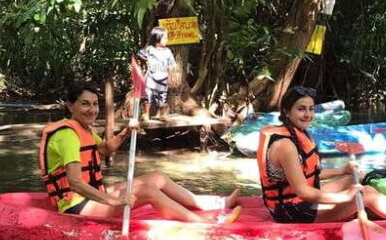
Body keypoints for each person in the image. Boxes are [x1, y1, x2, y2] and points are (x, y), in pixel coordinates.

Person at [257, 86, 386, 224]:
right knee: (366, 194)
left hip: (300, 201)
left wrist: (342, 171)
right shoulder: (285, 145)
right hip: (291, 211)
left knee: (361, 178)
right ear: (287, 112)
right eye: (301, 109)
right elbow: (304, 192)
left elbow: (306, 174)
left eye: (311, 109)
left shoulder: (297, 132)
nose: (308, 114)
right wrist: (345, 197)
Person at [39, 83, 241, 222]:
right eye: (85, 104)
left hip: (93, 195)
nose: (92, 110)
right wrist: (113, 200)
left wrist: (125, 132)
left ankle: (218, 203)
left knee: (157, 178)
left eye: (94, 104)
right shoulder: (67, 136)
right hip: (76, 206)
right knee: (147, 191)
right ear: (70, 106)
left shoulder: (83, 129)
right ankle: (205, 224)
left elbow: (106, 149)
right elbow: (75, 182)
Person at [137, 26, 177, 120]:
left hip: (163, 78)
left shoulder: (168, 51)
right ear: (157, 37)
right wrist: (144, 60)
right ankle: (146, 114)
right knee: (148, 96)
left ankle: (161, 114)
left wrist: (170, 77)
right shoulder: (149, 49)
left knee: (162, 96)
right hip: (150, 77)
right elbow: (139, 55)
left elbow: (171, 65)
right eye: (165, 38)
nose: (167, 40)